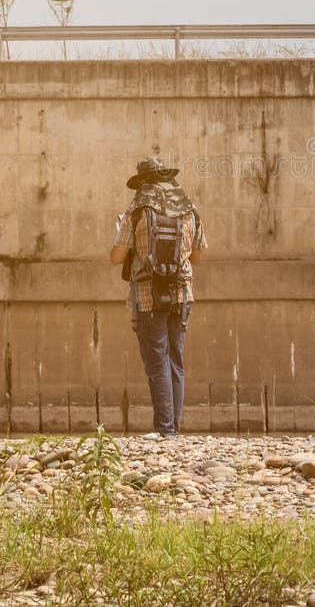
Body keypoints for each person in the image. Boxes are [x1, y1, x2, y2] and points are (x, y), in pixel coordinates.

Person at [110, 157, 207, 437]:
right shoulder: (190, 212)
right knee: (176, 359)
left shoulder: (138, 211)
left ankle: (165, 430)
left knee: (157, 361)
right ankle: (173, 426)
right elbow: (197, 257)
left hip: (148, 295)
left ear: (142, 183)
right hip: (181, 293)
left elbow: (116, 257)